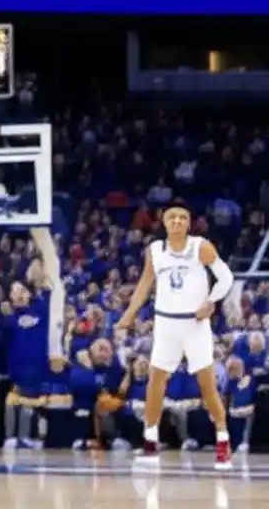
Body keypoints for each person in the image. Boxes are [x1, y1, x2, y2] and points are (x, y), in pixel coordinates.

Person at [116, 199, 234, 470]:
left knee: (207, 384)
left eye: (183, 217)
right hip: (166, 323)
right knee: (156, 381)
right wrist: (130, 313)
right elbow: (144, 285)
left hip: (194, 325)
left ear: (189, 223)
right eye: (173, 217)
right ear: (164, 221)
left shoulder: (200, 246)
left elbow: (226, 277)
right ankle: (150, 441)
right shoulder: (156, 250)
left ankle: (223, 440)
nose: (178, 221)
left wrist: (211, 301)